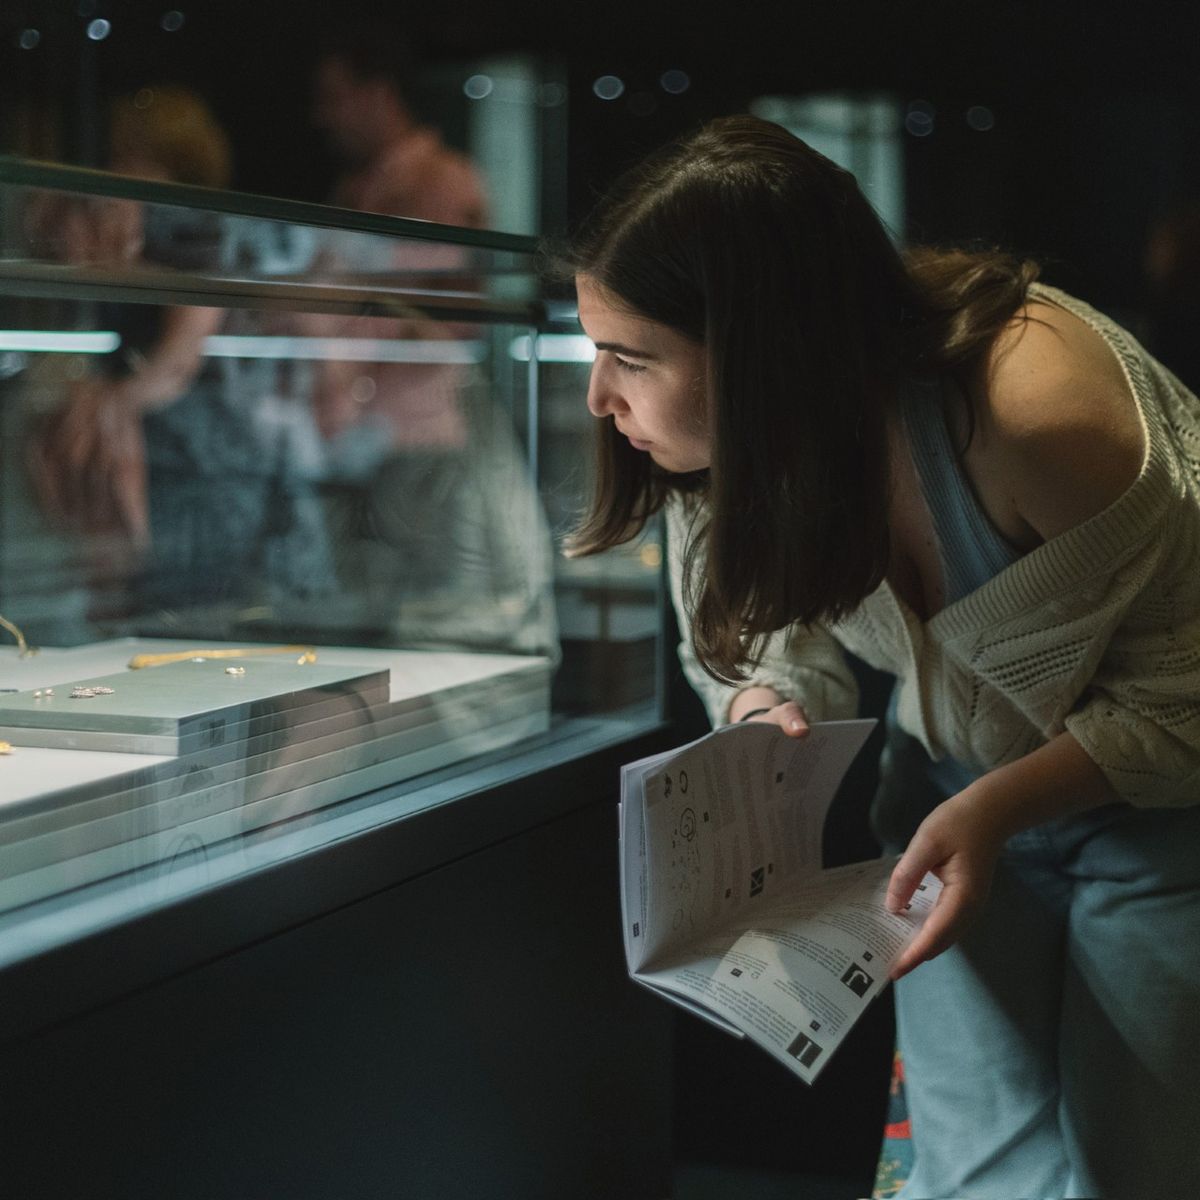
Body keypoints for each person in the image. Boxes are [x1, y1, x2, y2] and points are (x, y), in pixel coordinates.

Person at [564, 115, 1200, 1199]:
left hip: (1163, 813)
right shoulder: (734, 432)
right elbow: (760, 631)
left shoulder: (1036, 410)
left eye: (630, 357)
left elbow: (1185, 693)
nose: (598, 396)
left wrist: (999, 808)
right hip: (949, 795)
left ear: (761, 348)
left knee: (1142, 1170)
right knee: (973, 1176)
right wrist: (765, 716)